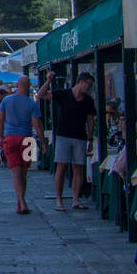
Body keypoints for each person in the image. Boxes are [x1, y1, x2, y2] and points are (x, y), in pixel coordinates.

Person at [38, 70, 96, 211]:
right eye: (88, 84)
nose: (89, 88)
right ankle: (59, 200)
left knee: (78, 169)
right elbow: (41, 95)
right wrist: (48, 80)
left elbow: (90, 120)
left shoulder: (88, 100)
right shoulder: (63, 94)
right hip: (63, 136)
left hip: (80, 137)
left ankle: (76, 199)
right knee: (61, 168)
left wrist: (90, 139)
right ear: (80, 82)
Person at [0, 75, 45, 215]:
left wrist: (1, 137)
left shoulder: (6, 100)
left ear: (18, 85)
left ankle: (21, 202)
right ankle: (22, 201)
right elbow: (36, 124)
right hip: (27, 139)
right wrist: (42, 141)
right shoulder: (32, 104)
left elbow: (0, 120)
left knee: (16, 173)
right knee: (24, 173)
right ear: (29, 86)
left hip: (11, 138)